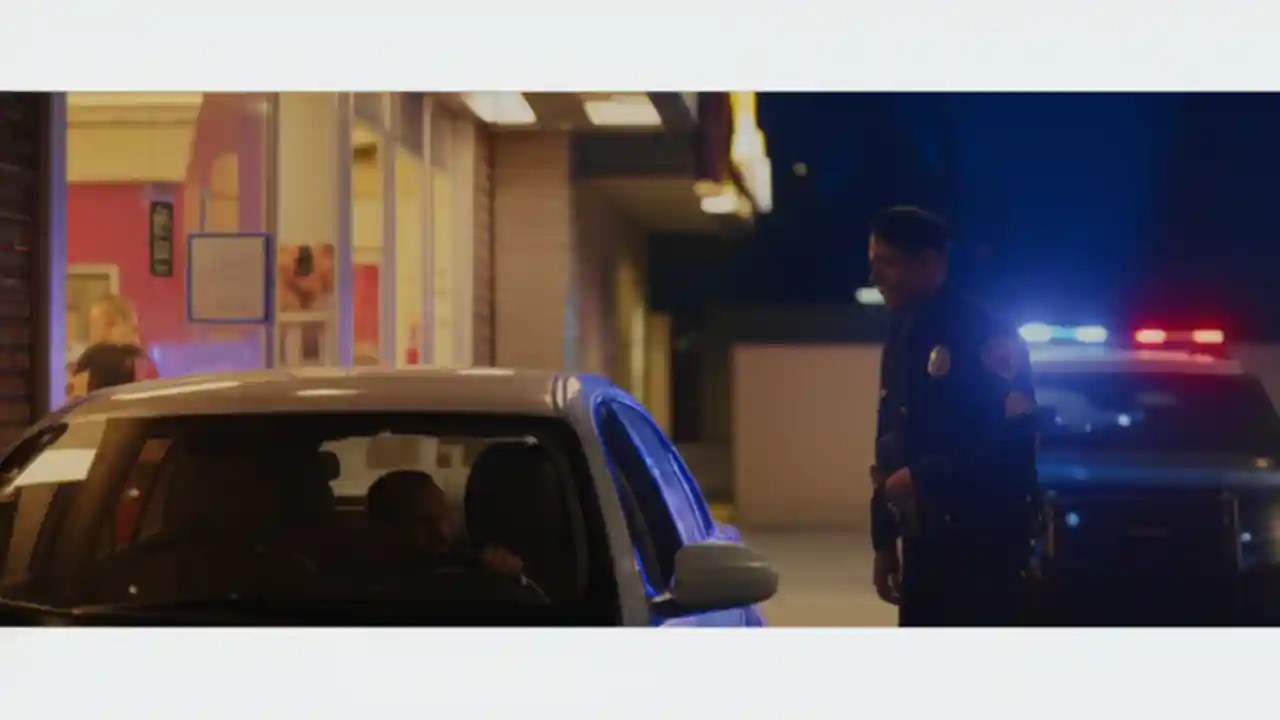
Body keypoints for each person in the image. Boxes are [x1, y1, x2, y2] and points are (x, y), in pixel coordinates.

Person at [866, 206, 1040, 627]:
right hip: (924, 546)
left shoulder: (983, 332)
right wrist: (885, 539)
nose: (876, 278)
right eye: (873, 265)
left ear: (929, 262)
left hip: (984, 548)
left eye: (887, 264)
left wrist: (927, 477)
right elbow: (891, 441)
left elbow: (1013, 445)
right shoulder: (902, 330)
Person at [365, 470, 525, 581]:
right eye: (424, 522)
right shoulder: (358, 586)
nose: (442, 533)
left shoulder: (471, 566)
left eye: (444, 519)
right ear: (384, 529)